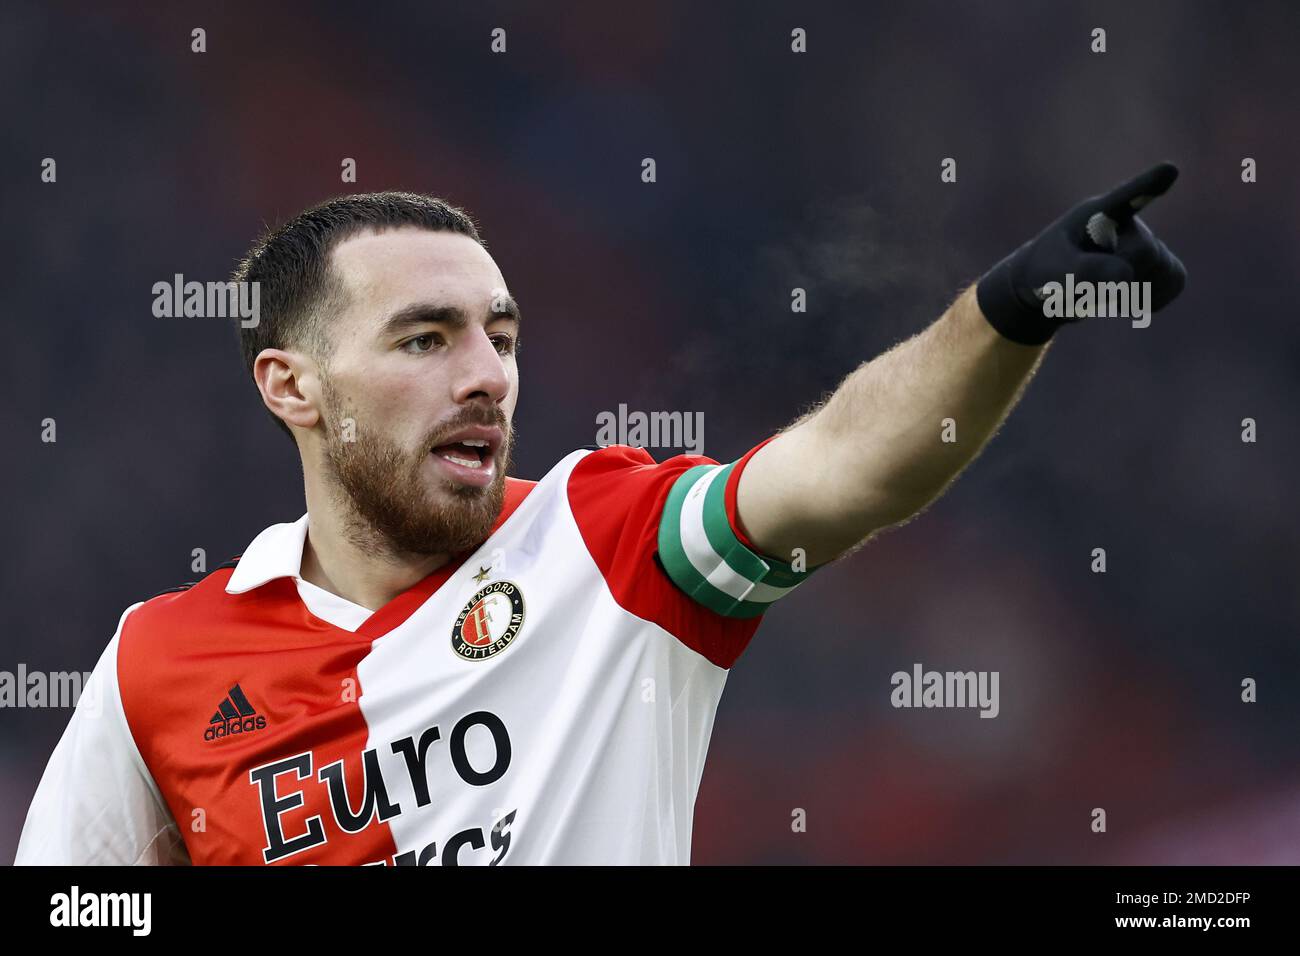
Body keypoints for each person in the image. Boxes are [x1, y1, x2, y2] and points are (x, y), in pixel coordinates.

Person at [15, 165, 1186, 865]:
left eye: (502, 335)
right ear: (293, 386)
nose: (486, 373)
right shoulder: (159, 661)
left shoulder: (601, 542)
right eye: (426, 337)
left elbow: (840, 469)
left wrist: (1009, 310)